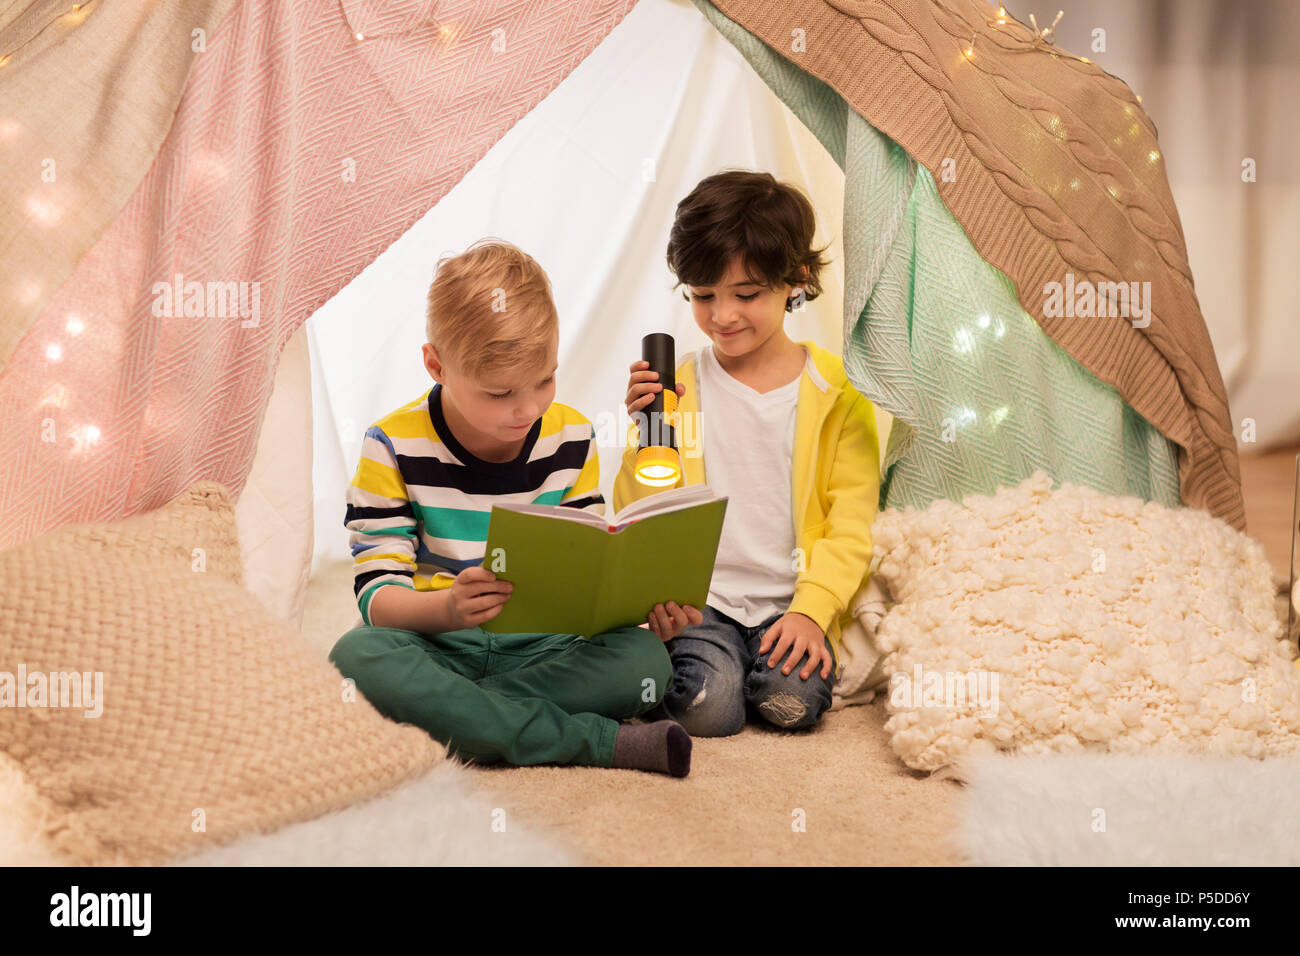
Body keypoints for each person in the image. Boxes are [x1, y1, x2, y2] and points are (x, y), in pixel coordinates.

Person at [330, 239, 690, 776]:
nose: (526, 409)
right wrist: (448, 610)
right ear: (437, 365)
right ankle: (589, 741)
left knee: (645, 663)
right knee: (355, 659)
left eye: (544, 380)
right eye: (499, 394)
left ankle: (456, 713)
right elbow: (379, 597)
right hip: (438, 642)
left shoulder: (570, 436)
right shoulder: (391, 445)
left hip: (545, 647)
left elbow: (589, 570)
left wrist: (640, 611)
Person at [616, 170, 881, 737]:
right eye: (703, 295)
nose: (723, 316)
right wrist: (644, 431)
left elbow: (851, 522)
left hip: (791, 603)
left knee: (792, 703)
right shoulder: (680, 386)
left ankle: (753, 671)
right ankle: (705, 674)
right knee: (707, 709)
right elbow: (640, 511)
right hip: (702, 603)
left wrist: (813, 609)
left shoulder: (837, 392)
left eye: (747, 294)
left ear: (797, 281)